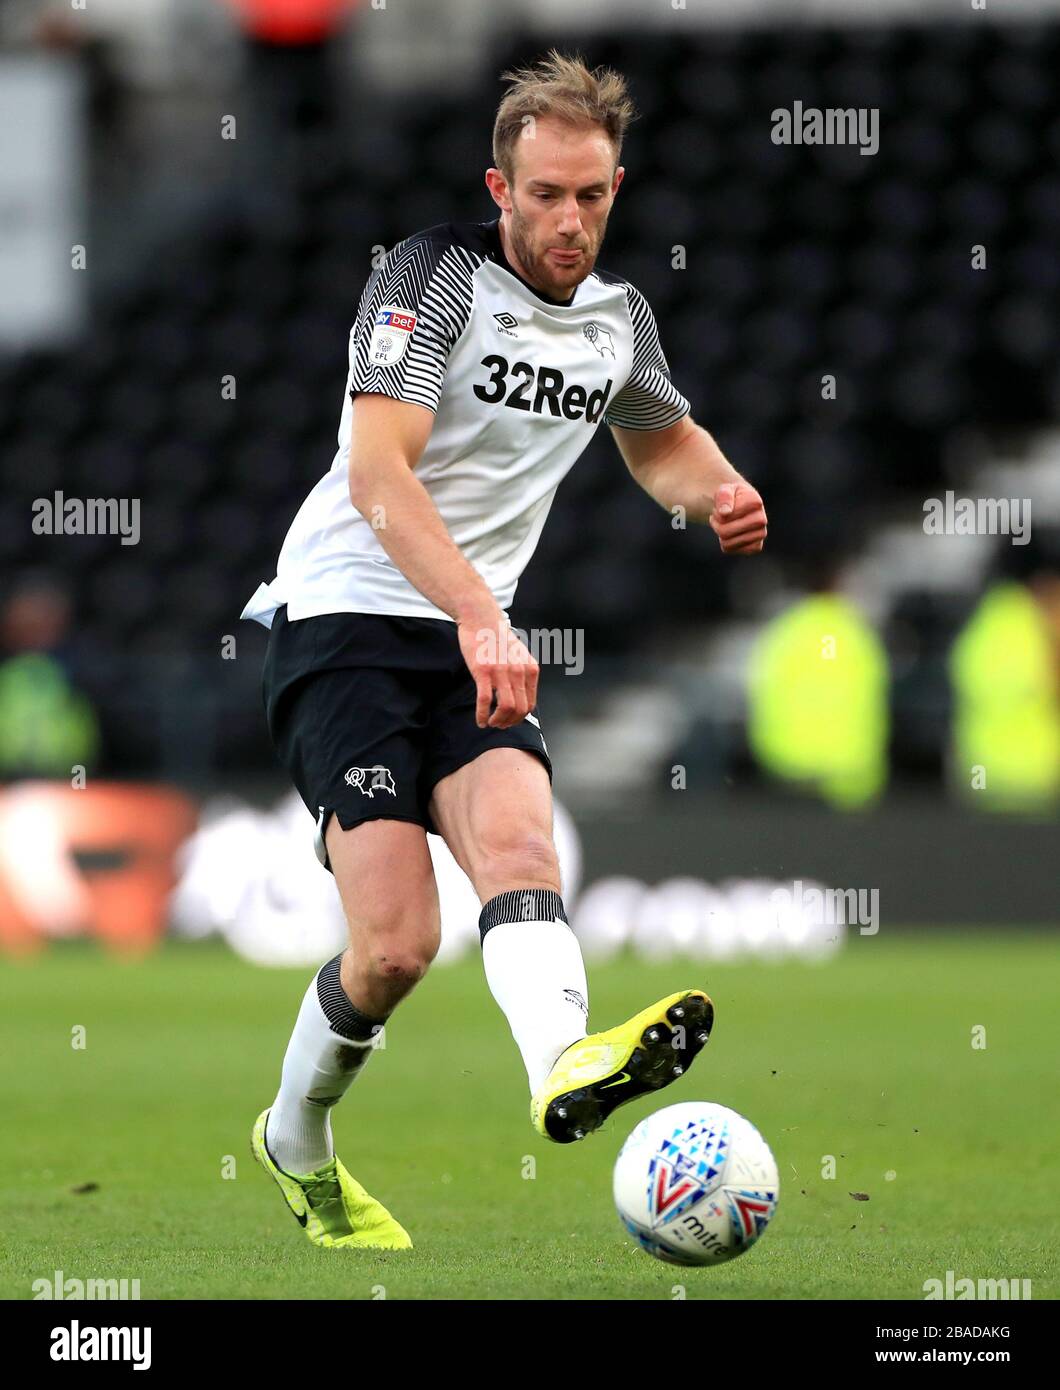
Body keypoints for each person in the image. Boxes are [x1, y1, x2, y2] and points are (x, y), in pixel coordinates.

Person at [240, 51, 768, 1250]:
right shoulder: (431, 278)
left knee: (523, 843)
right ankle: (293, 1135)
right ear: (501, 185)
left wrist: (719, 489)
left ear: (616, 189)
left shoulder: (619, 320)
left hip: (469, 631)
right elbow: (380, 471)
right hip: (346, 624)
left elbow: (659, 439)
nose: (567, 219)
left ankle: (560, 1066)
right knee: (395, 948)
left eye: (590, 196)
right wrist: (482, 611)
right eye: (544, 195)